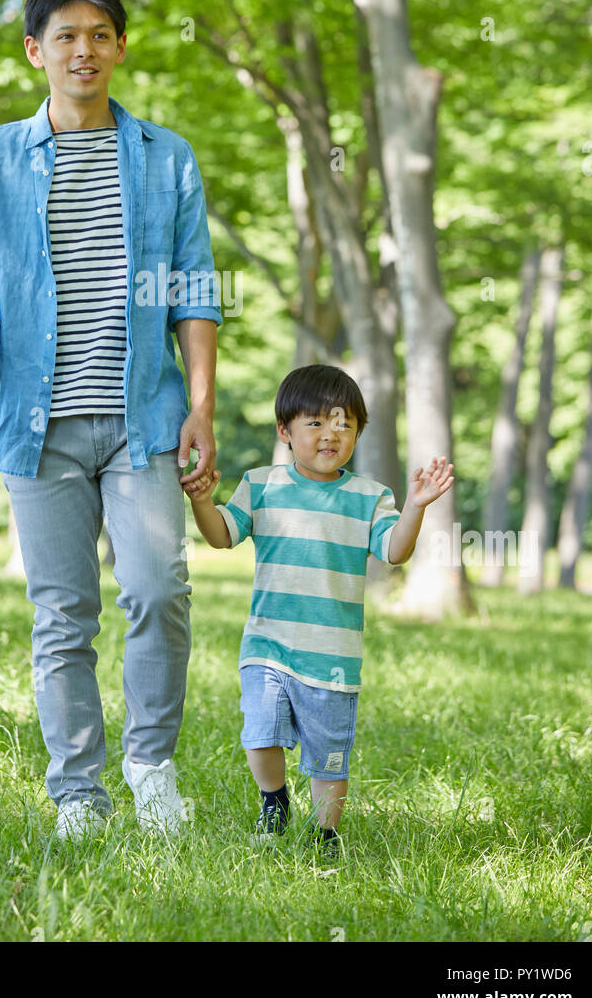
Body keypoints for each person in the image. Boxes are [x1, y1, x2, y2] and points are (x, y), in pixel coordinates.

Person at [0, 0, 222, 838]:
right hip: (39, 423)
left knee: (158, 587)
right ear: (36, 51)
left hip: (143, 419)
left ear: (121, 46)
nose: (83, 50)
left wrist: (202, 406)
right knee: (63, 612)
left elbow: (195, 291)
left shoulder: (166, 157)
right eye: (65, 35)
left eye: (100, 33)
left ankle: (151, 764)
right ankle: (77, 794)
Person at [184, 363, 454, 858]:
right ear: (285, 431)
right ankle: (274, 802)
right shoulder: (261, 484)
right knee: (260, 730)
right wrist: (202, 502)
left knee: (329, 755)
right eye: (316, 422)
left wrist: (416, 506)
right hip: (267, 643)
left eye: (344, 423)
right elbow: (222, 535)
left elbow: (394, 552)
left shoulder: (371, 498)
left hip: (333, 654)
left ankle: (326, 835)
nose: (332, 433)